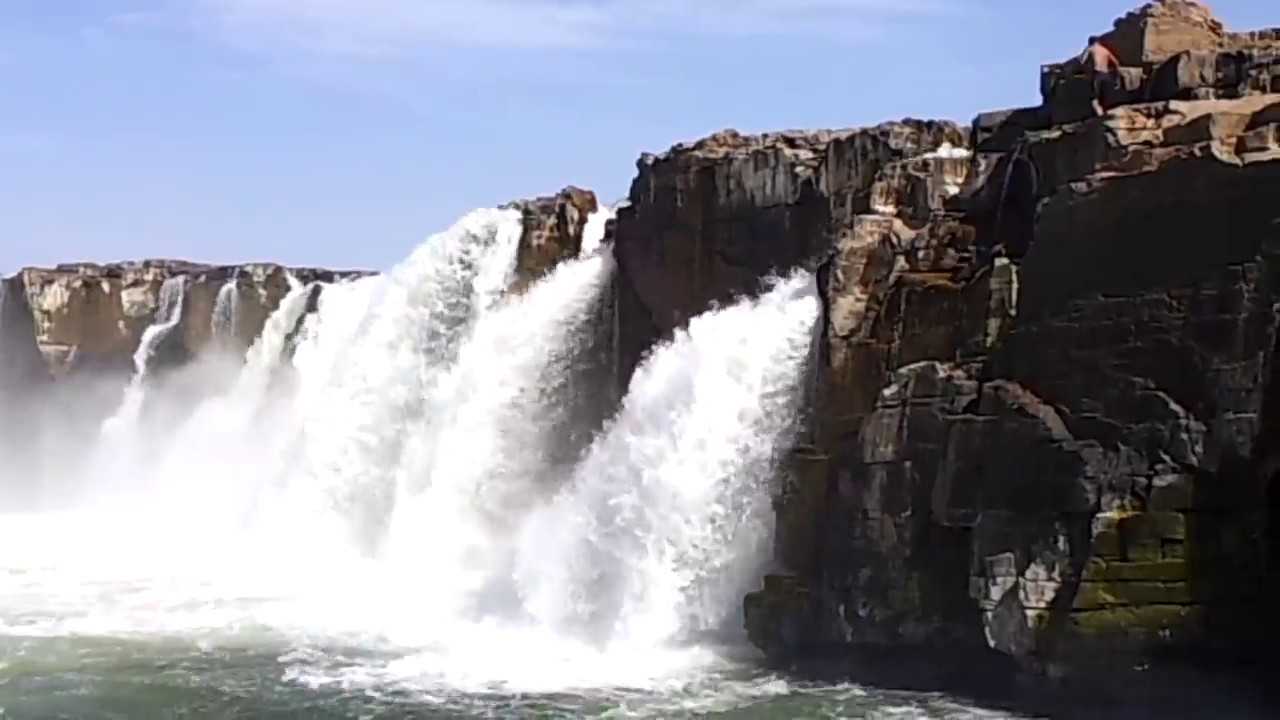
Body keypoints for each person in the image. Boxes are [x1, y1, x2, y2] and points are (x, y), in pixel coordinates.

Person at [1079, 35, 1120, 115]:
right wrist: (1116, 77)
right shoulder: (1105, 50)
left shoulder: (1091, 49)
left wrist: (1085, 50)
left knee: (1094, 98)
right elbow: (1116, 63)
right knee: (1105, 96)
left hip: (1097, 74)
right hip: (1107, 75)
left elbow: (1082, 61)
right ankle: (1107, 113)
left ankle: (1100, 115)